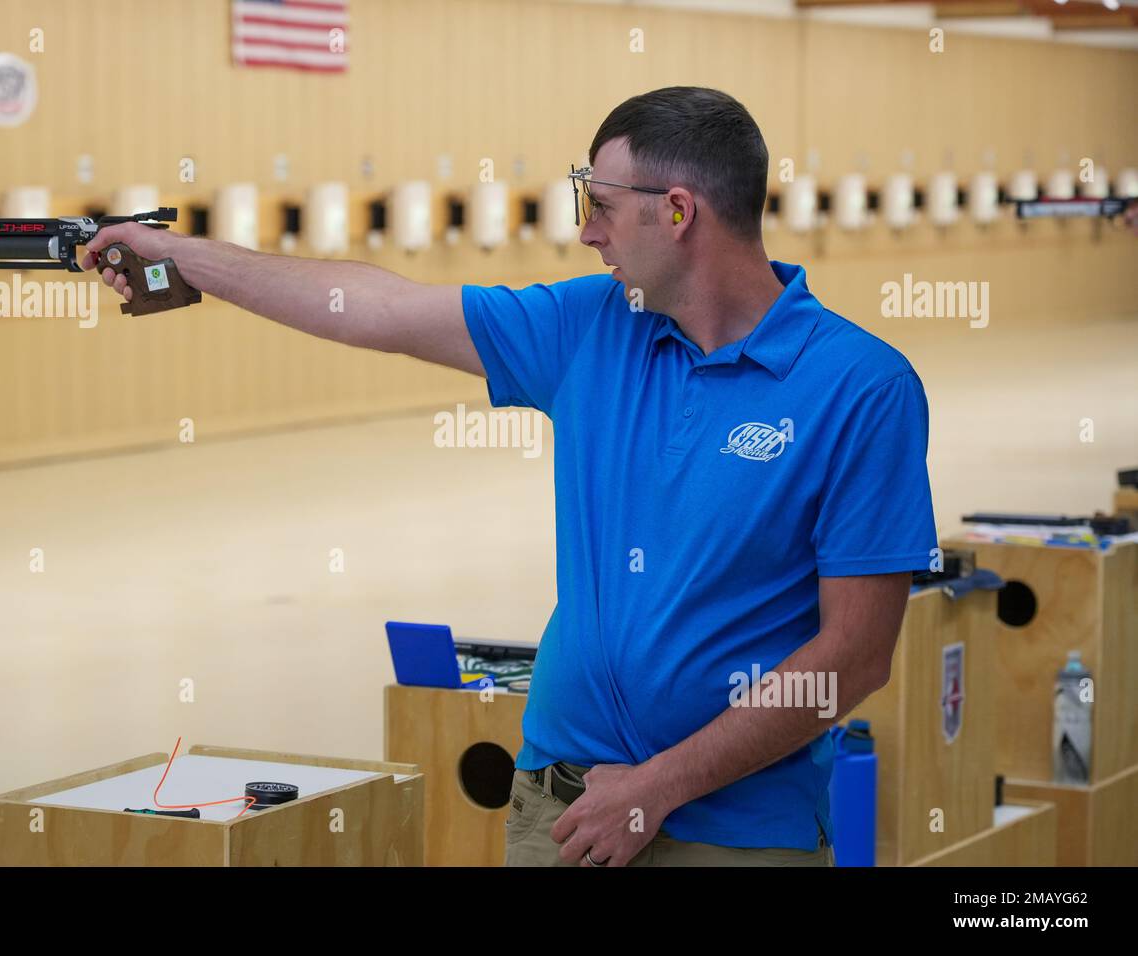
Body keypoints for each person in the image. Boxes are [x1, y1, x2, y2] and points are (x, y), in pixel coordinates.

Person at [85, 86, 938, 868]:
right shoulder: (590, 323)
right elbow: (377, 307)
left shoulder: (861, 387)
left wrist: (658, 788)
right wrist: (183, 256)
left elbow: (853, 657)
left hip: (736, 832)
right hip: (558, 809)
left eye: (600, 206)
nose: (586, 231)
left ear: (677, 212)